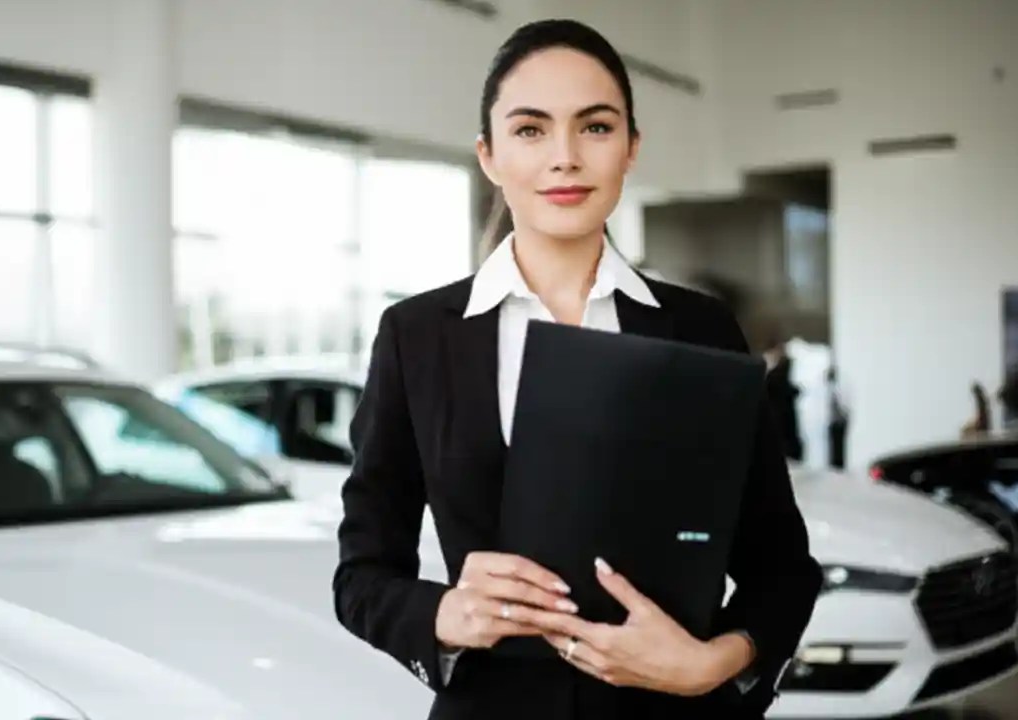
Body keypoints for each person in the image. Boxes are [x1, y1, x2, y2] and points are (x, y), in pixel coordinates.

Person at [332, 19, 821, 719]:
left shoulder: (703, 328)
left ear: (630, 149)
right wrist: (446, 612)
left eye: (595, 127)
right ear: (489, 155)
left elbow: (782, 564)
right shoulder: (418, 337)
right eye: (530, 130)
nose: (564, 157)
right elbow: (361, 576)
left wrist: (715, 662)